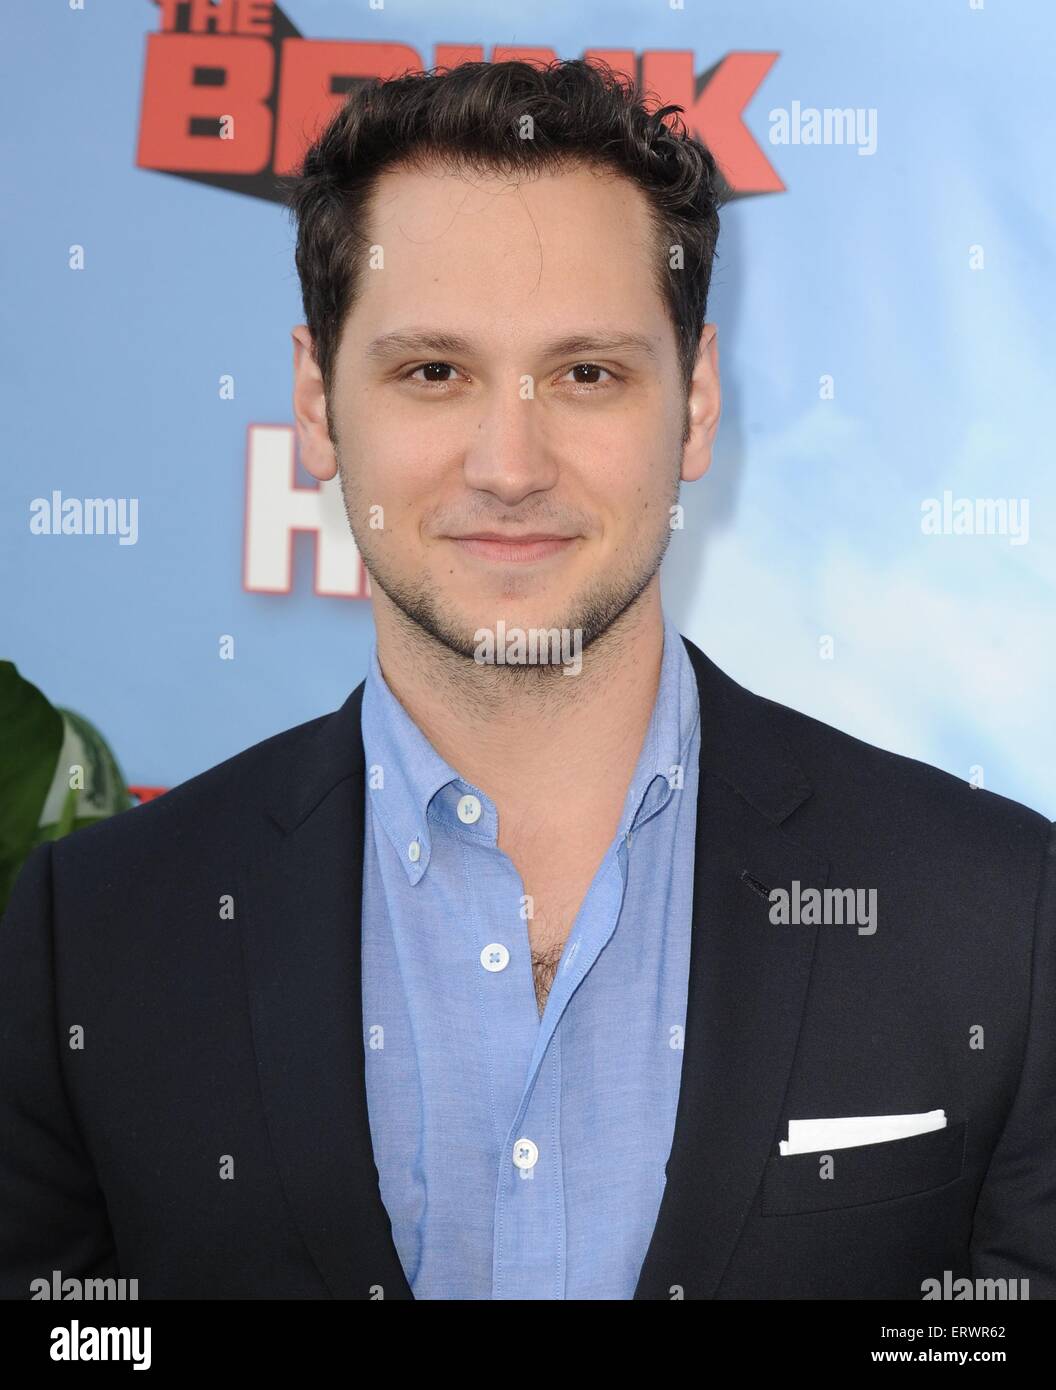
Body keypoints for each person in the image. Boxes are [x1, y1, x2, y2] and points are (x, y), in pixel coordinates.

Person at [1, 59, 1052, 1301]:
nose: (508, 463)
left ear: (697, 402)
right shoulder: (97, 937)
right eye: (433, 372)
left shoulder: (996, 917)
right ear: (317, 404)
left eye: (586, 373)